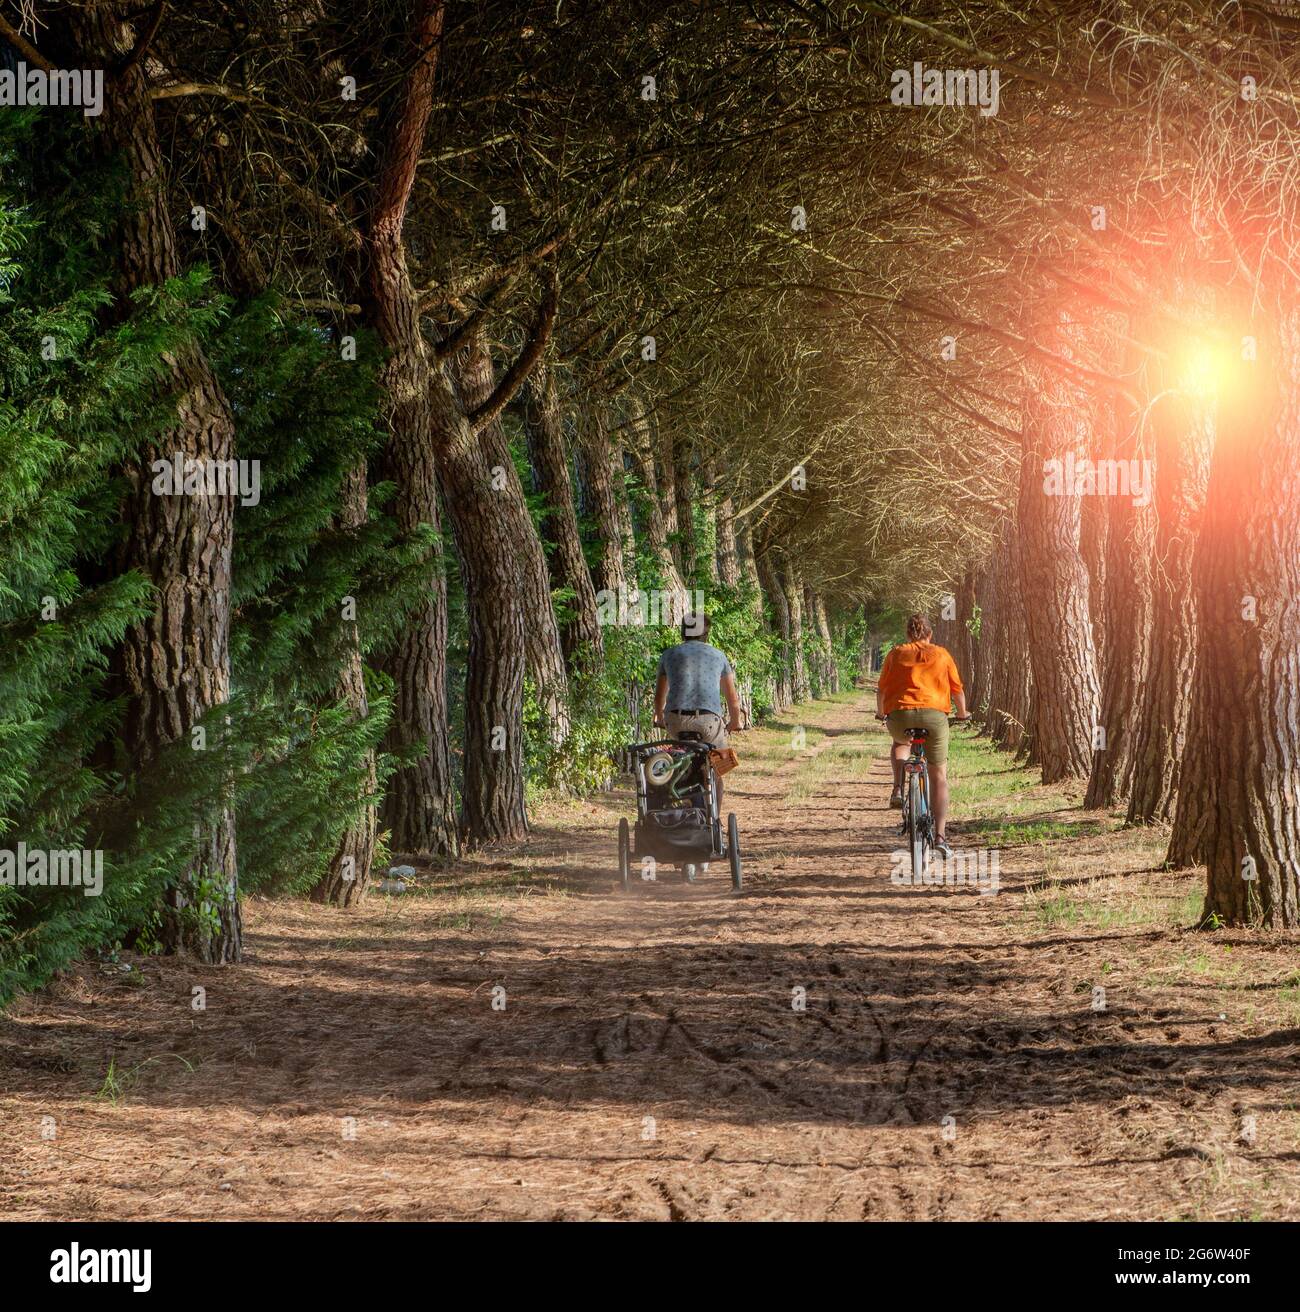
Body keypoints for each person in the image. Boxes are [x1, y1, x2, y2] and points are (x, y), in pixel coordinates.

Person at [875, 613, 970, 860]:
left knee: (899, 742)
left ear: (908, 634)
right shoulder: (941, 654)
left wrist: (880, 713)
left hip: (901, 714)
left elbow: (882, 689)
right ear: (929, 633)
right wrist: (962, 713)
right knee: (938, 776)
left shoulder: (896, 653)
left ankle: (897, 788)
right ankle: (940, 837)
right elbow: (957, 690)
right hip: (934, 717)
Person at [653, 613, 743, 751]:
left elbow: (659, 697)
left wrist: (659, 718)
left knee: (677, 756)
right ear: (705, 633)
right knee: (719, 757)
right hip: (708, 722)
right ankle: (714, 772)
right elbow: (733, 699)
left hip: (675, 721)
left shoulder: (669, 654)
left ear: (683, 632)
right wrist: (735, 721)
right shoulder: (718, 655)